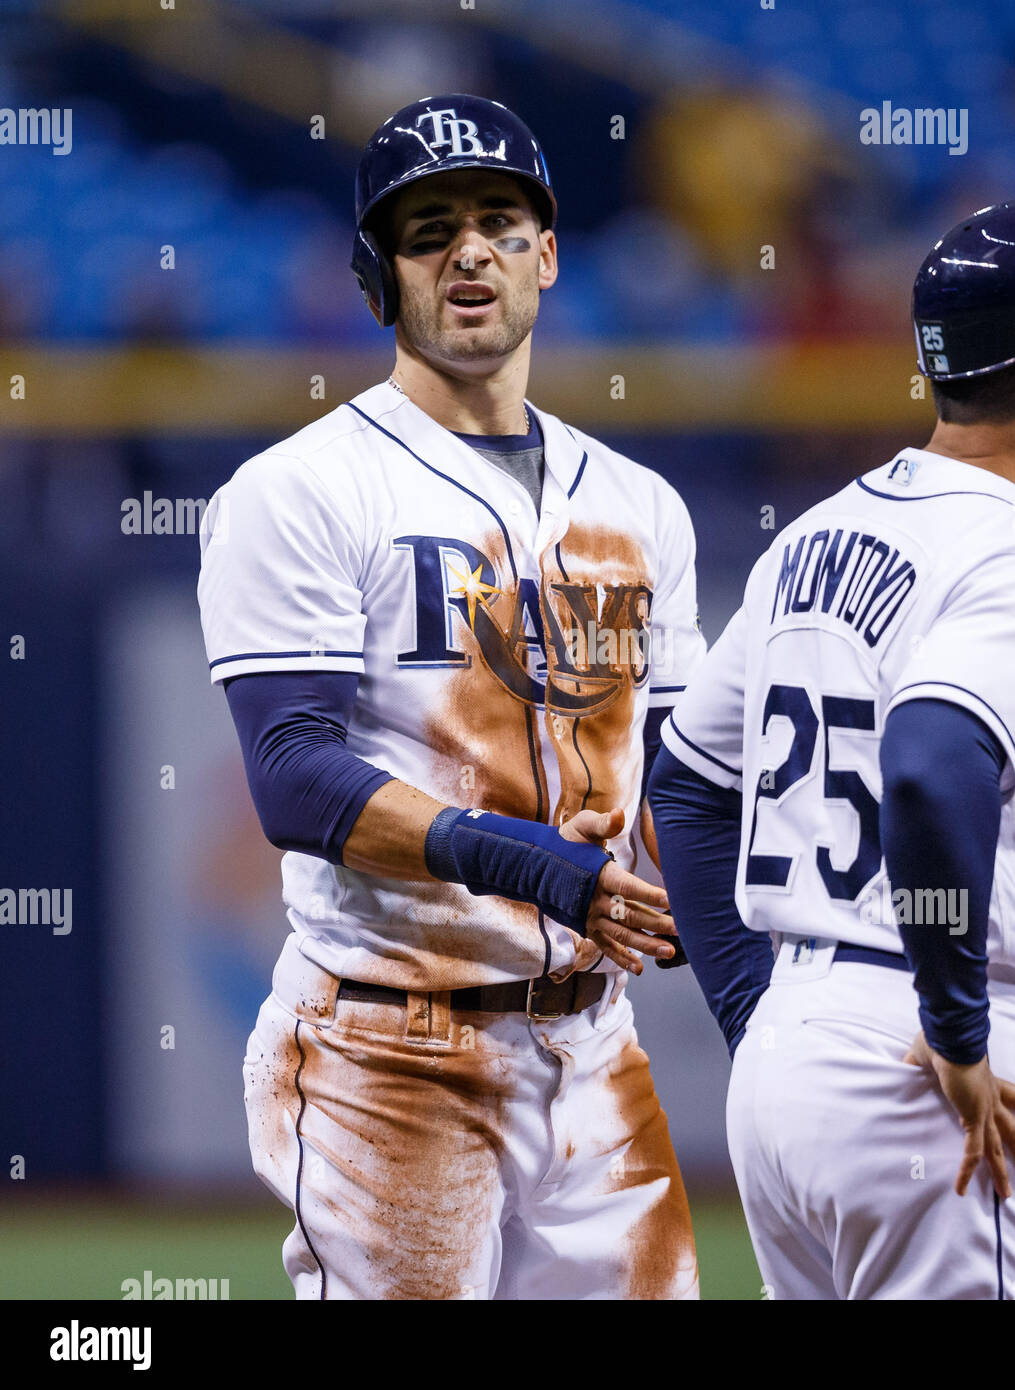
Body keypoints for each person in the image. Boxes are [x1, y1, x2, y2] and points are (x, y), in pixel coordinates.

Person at [198, 94, 704, 1300]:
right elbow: (294, 774)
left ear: (548, 255)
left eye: (500, 219)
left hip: (592, 1040)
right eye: (429, 229)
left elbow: (678, 770)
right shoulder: (300, 491)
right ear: (382, 276)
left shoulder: (640, 503)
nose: (470, 249)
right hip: (390, 1041)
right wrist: (538, 863)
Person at [648, 197, 1015, 1299]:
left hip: (788, 1059)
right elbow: (928, 763)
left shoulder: (812, 536)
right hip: (929, 1055)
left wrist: (760, 1017)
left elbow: (684, 784)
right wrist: (951, 1024)